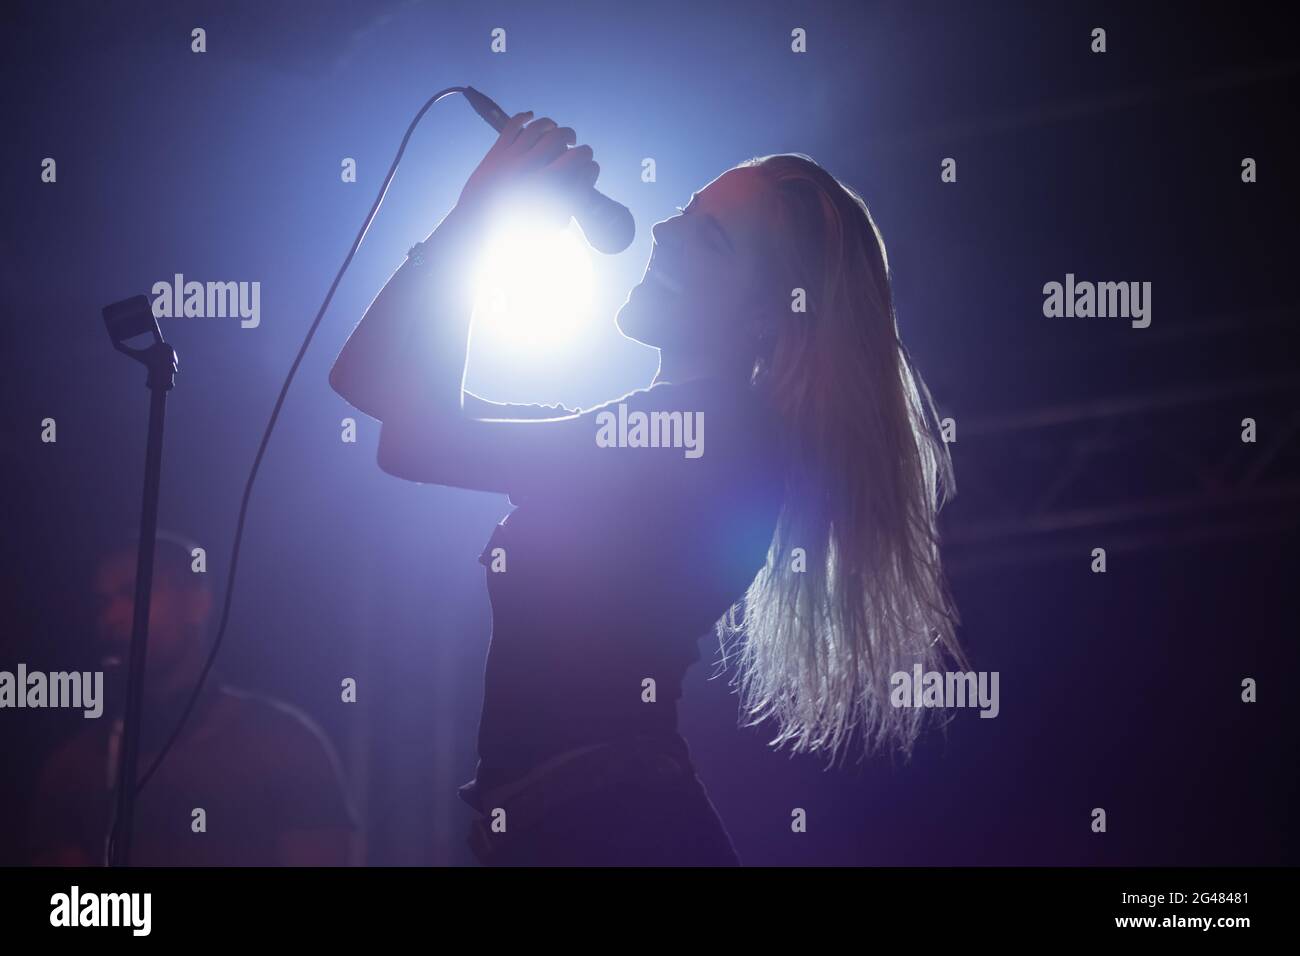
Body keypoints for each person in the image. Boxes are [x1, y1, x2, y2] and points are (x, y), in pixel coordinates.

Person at [329, 112, 967, 865]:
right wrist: (478, 223)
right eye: (686, 213)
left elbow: (409, 427)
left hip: (613, 834)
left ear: (766, 317)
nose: (664, 230)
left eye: (708, 238)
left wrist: (480, 220)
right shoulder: (665, 428)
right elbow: (381, 400)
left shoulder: (705, 438)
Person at [28, 534, 356, 866]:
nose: (113, 616)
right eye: (103, 603)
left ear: (198, 602)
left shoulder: (284, 742)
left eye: (133, 593)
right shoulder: (76, 764)